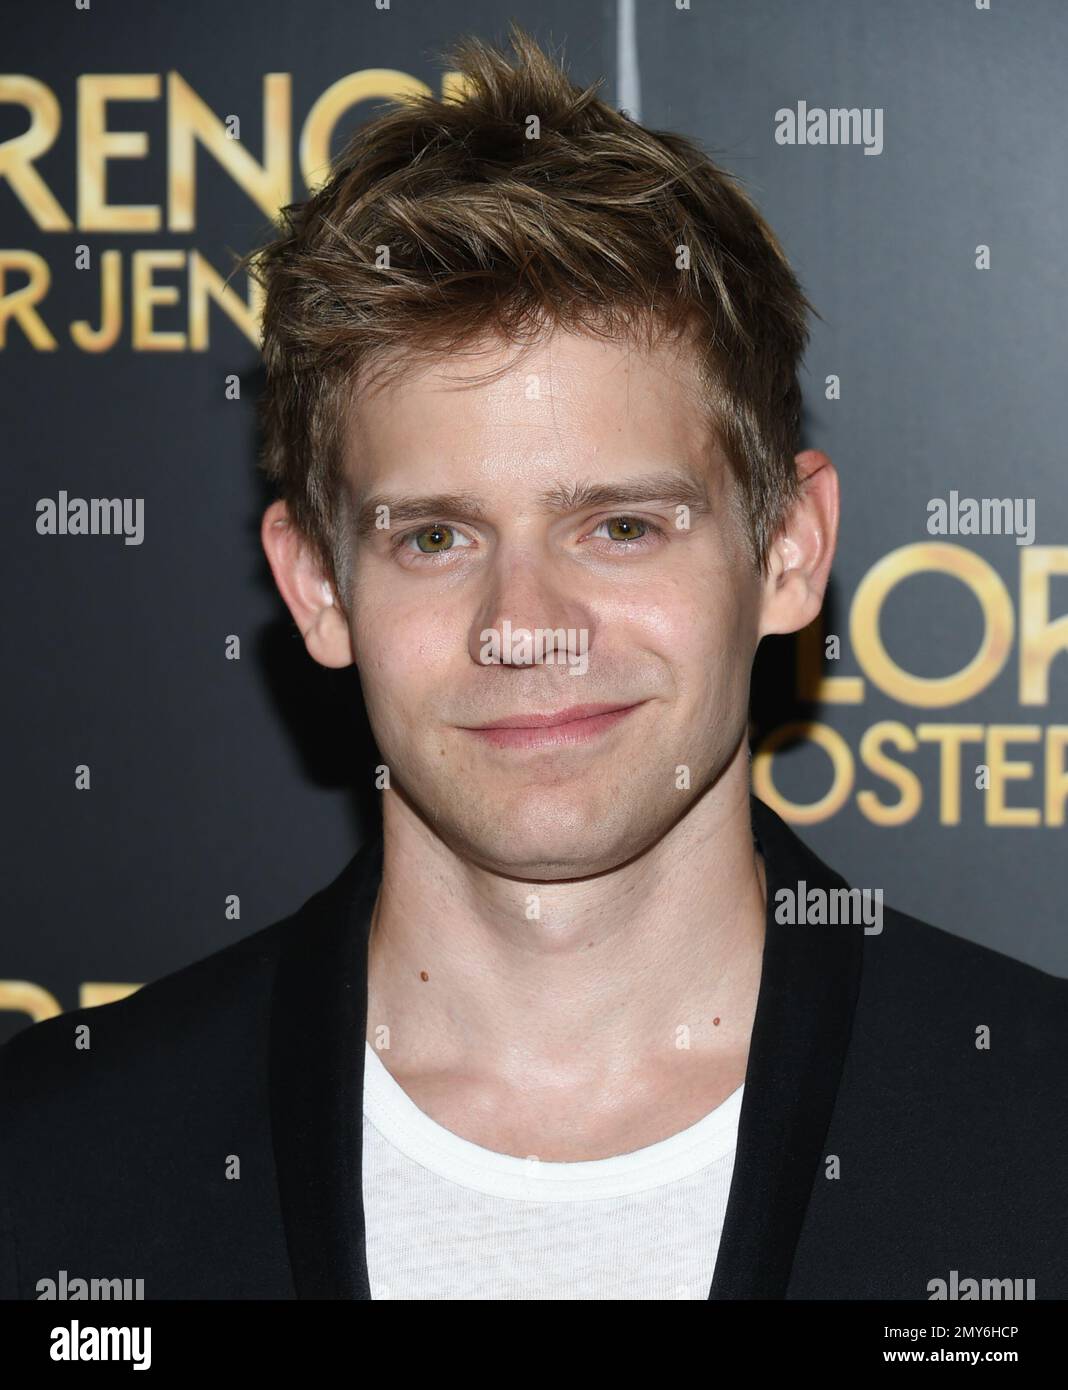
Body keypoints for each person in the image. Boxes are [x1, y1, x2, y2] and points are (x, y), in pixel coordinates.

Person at [1, 22, 1065, 1302]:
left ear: (788, 550)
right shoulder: (54, 1164)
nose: (526, 625)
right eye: (437, 536)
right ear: (318, 588)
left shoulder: (1036, 1128)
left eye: (619, 526)